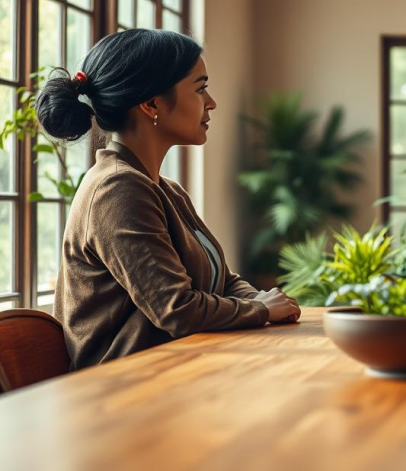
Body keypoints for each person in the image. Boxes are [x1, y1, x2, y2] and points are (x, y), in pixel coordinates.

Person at [37, 29, 301, 370]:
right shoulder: (117, 190)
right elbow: (175, 308)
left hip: (177, 371)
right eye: (200, 88)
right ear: (151, 104)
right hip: (122, 392)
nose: (212, 102)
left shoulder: (164, 189)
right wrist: (262, 309)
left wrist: (261, 300)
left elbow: (223, 280)